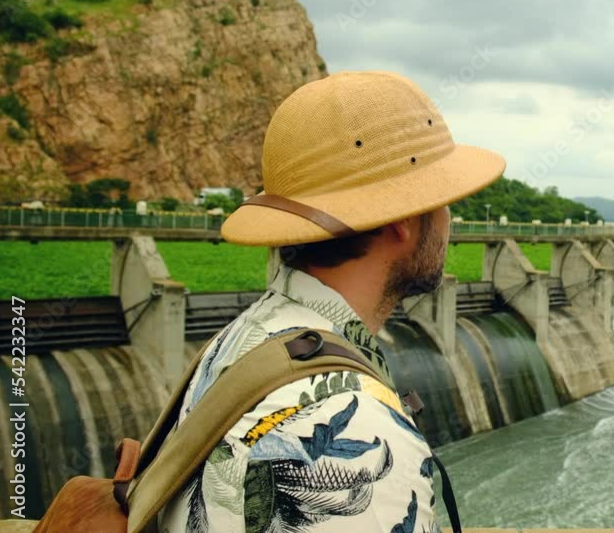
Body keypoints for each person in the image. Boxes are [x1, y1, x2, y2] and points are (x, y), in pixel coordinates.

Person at [156, 71, 505, 532]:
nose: (449, 217)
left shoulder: (241, 340)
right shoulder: (365, 451)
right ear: (401, 220)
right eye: (442, 199)